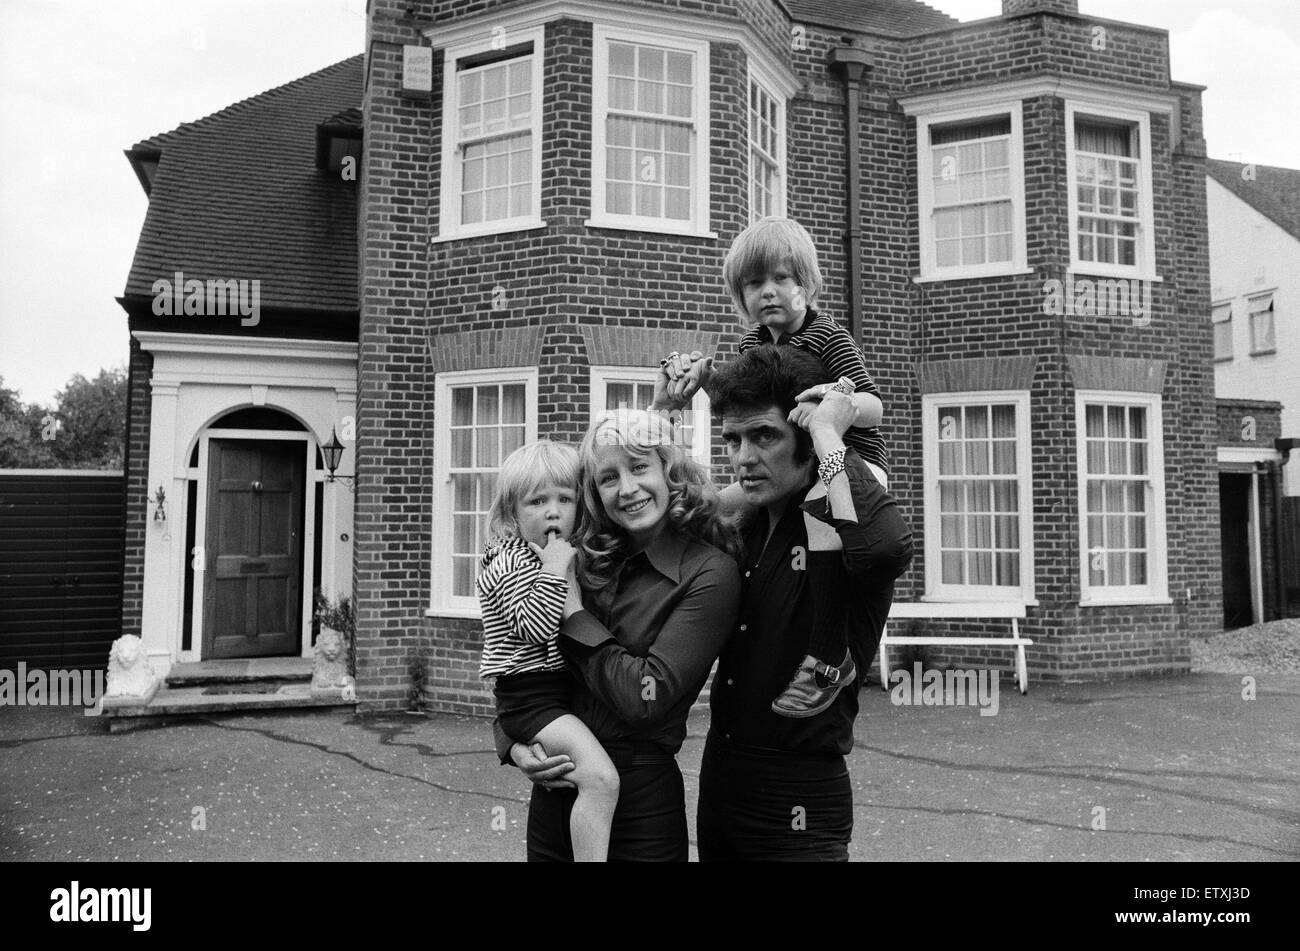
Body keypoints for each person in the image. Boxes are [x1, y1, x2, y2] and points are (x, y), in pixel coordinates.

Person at [659, 216, 890, 717]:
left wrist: (836, 396)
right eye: (754, 283)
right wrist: (698, 377)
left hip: (850, 465)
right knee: (715, 512)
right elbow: (744, 403)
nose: (769, 292)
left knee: (819, 509)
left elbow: (874, 404)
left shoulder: (827, 335)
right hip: (793, 470)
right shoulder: (752, 345)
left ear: (806, 284)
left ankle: (830, 653)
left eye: (781, 279)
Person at [695, 344, 913, 861]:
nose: (745, 458)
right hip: (720, 788)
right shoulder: (744, 523)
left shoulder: (836, 515)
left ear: (806, 437)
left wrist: (831, 433)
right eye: (733, 440)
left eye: (765, 436)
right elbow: (642, 527)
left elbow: (883, 549)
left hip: (800, 807)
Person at [498, 409, 741, 861]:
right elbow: (518, 654)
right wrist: (512, 744)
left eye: (640, 468)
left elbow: (644, 697)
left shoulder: (709, 573)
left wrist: (571, 611)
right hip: (557, 789)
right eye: (608, 477)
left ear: (671, 473)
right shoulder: (581, 555)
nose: (626, 489)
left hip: (640, 804)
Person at [476, 440, 621, 861]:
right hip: (530, 695)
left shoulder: (545, 555)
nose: (553, 511)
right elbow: (536, 628)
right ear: (511, 513)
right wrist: (556, 572)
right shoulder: (509, 561)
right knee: (601, 780)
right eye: (537, 501)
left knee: (590, 780)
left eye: (564, 498)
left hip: (550, 693)